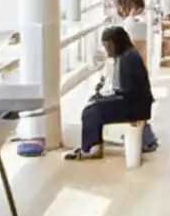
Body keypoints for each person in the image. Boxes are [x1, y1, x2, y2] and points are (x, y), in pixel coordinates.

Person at [65, 26, 155, 160]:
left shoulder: (128, 59)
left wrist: (105, 97)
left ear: (115, 44)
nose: (106, 50)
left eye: (107, 46)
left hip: (134, 106)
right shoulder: (127, 55)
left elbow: (127, 91)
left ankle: (91, 148)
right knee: (94, 106)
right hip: (136, 103)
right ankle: (92, 145)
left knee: (91, 111)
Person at [110, 0, 159, 152]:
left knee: (134, 106)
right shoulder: (131, 23)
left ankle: (143, 139)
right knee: (137, 105)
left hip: (128, 71)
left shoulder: (130, 24)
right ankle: (143, 138)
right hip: (134, 70)